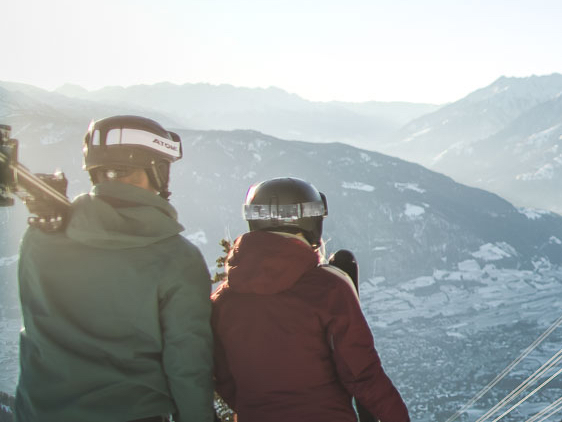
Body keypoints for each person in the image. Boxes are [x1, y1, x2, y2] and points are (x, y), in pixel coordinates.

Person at [15, 115, 215, 422]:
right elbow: (187, 365)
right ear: (158, 172)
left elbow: (34, 325)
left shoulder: (41, 238)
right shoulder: (177, 258)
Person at [210, 177, 409, 422]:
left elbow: (223, 378)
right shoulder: (330, 287)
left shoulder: (224, 299)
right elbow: (362, 374)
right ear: (312, 222)